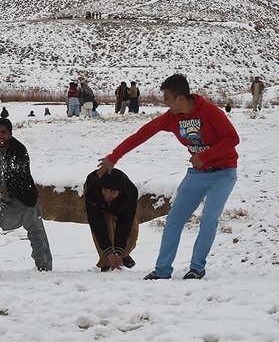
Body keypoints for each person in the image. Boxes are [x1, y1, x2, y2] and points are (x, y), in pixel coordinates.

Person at [98, 74, 239, 280]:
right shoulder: (171, 117)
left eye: (166, 97)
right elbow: (142, 134)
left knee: (209, 219)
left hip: (223, 173)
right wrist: (114, 157)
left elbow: (232, 139)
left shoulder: (209, 111)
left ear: (180, 98)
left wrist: (204, 156)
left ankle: (197, 268)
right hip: (197, 174)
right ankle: (162, 270)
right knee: (174, 220)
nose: (164, 101)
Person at [0, 118, 53, 272]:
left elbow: (23, 177)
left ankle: (44, 267)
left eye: (3, 132)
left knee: (37, 232)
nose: (0, 136)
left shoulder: (19, 150)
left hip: (22, 199)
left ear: (10, 134)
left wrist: (8, 191)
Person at [84, 168, 138, 272]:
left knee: (132, 235)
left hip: (122, 206)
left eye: (112, 192)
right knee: (105, 228)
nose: (108, 195)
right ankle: (106, 263)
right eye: (105, 190)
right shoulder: (93, 190)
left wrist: (118, 251)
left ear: (120, 192)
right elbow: (96, 223)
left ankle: (121, 255)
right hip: (98, 202)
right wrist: (109, 252)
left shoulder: (131, 193)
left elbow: (125, 223)